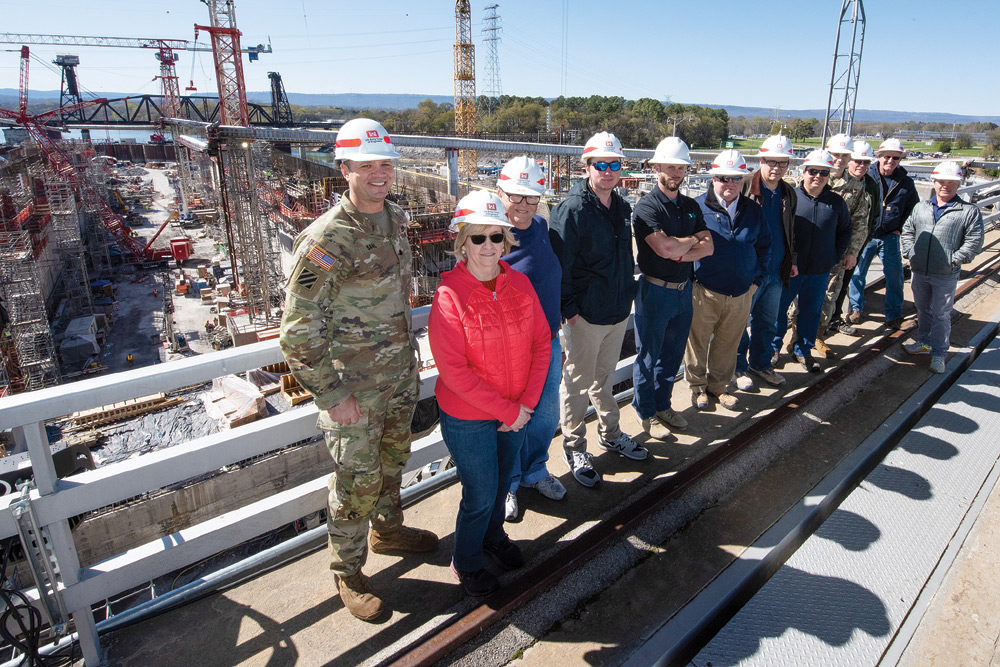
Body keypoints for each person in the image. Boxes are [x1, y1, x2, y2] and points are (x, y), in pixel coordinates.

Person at [278, 118, 437, 622]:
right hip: (354, 393)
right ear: (343, 169)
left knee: (393, 463)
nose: (378, 173)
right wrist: (331, 395)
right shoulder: (328, 239)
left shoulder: (394, 221)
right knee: (355, 483)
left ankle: (388, 531)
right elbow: (297, 331)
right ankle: (347, 572)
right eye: (365, 165)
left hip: (396, 380)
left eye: (385, 164)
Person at [428, 191, 551, 596]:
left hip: (517, 409)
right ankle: (466, 560)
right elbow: (454, 372)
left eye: (496, 237)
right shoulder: (449, 296)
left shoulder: (520, 283)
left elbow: (541, 345)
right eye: (477, 238)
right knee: (480, 492)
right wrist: (508, 410)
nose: (488, 247)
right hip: (469, 417)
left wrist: (526, 405)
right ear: (462, 242)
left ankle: (493, 537)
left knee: (501, 485)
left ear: (507, 241)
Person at [549, 132, 645, 487]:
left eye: (614, 164)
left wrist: (627, 296)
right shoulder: (572, 210)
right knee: (576, 383)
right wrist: (571, 310)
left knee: (604, 378)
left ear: (622, 167)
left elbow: (624, 258)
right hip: (585, 317)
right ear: (586, 166)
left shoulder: (621, 207)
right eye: (600, 164)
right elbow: (561, 266)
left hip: (617, 311)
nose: (607, 171)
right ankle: (574, 446)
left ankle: (611, 432)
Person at [496, 156, 567, 521]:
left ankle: (536, 470)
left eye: (531, 198)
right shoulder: (489, 235)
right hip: (509, 350)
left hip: (549, 343)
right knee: (511, 417)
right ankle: (507, 483)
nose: (523, 206)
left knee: (545, 414)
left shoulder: (541, 226)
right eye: (515, 197)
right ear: (499, 193)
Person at [631, 137, 713, 438]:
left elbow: (709, 247)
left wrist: (681, 246)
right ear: (656, 168)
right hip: (655, 291)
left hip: (683, 291)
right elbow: (663, 248)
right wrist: (690, 241)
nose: (676, 173)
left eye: (680, 167)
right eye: (670, 167)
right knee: (648, 356)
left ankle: (663, 405)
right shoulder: (646, 207)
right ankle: (646, 413)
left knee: (673, 354)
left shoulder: (690, 205)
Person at [687, 150, 769, 409]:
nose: (729, 184)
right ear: (713, 179)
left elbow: (765, 246)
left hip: (741, 293)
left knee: (728, 343)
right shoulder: (696, 208)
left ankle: (719, 387)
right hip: (705, 291)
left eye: (735, 178)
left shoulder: (753, 211)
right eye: (723, 178)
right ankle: (698, 388)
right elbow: (684, 249)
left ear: (743, 181)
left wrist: (755, 281)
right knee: (697, 343)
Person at [790, 133, 869, 358]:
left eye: (845, 155)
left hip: (832, 254)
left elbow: (858, 222)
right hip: (803, 256)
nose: (840, 160)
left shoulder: (854, 186)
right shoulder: (808, 179)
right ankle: (796, 338)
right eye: (836, 154)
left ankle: (817, 337)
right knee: (795, 302)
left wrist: (851, 252)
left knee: (827, 299)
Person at [772, 150, 852, 372]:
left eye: (823, 173)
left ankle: (803, 350)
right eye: (813, 171)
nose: (818, 176)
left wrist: (833, 256)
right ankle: (773, 348)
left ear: (829, 176)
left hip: (819, 270)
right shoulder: (789, 199)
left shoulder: (836, 203)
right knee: (779, 310)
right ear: (803, 172)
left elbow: (846, 231)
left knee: (811, 311)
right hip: (789, 270)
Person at [900, 161, 983, 373]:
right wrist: (911, 253)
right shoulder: (921, 207)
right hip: (920, 271)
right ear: (934, 182)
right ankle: (924, 342)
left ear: (959, 183)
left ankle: (938, 354)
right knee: (923, 310)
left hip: (945, 273)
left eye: (950, 182)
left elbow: (974, 240)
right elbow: (908, 230)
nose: (944, 186)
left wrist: (955, 259)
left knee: (941, 314)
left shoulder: (967, 211)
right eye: (940, 182)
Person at [736, 134, 798, 389]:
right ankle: (737, 369)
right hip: (750, 271)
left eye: (783, 163)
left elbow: (790, 230)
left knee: (767, 322)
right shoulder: (744, 186)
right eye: (771, 161)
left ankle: (760, 365)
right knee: (739, 323)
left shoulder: (788, 193)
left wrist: (791, 259)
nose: (777, 168)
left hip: (776, 270)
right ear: (761, 160)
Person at [847, 137, 919, 329]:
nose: (890, 161)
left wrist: (899, 228)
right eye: (887, 156)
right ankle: (855, 308)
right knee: (857, 272)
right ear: (879, 156)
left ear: (900, 160)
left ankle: (894, 315)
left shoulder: (905, 183)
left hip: (889, 236)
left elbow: (912, 209)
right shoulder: (867, 178)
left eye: (895, 158)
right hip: (866, 236)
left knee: (895, 276)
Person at [829, 140, 879, 335]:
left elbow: (863, 221)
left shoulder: (866, 186)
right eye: (858, 161)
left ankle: (831, 321)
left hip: (845, 248)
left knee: (839, 287)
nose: (862, 166)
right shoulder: (818, 177)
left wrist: (853, 250)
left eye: (866, 163)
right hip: (815, 249)